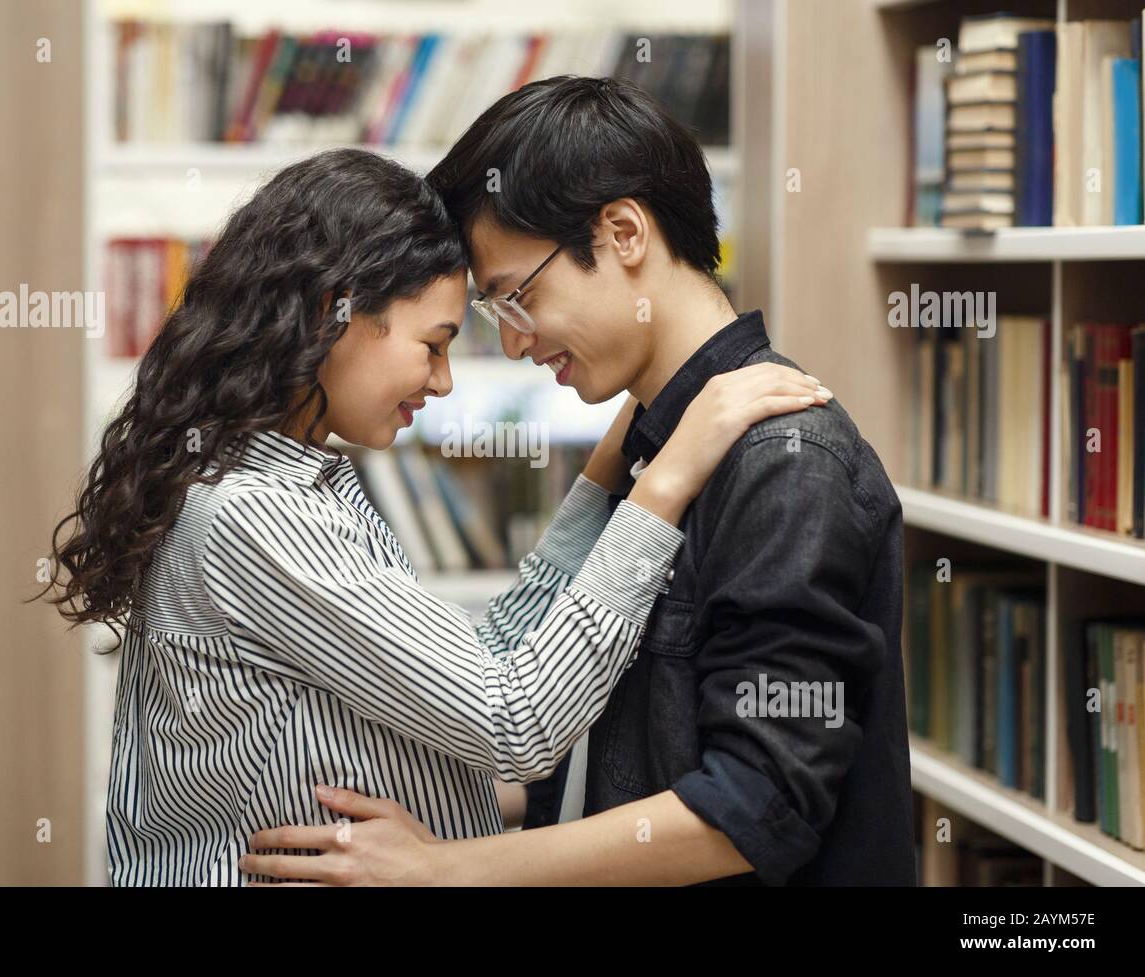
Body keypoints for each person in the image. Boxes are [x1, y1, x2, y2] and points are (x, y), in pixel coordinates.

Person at [34, 147, 826, 885]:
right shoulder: (255, 518)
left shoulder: (284, 485)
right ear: (330, 314)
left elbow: (486, 657)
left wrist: (604, 477)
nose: (444, 383)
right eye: (434, 343)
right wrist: (668, 482)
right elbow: (517, 714)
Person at [245, 77, 915, 886]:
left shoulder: (785, 461)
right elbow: (609, 743)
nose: (519, 346)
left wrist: (449, 866)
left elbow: (757, 803)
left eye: (517, 298)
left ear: (624, 232)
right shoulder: (653, 445)